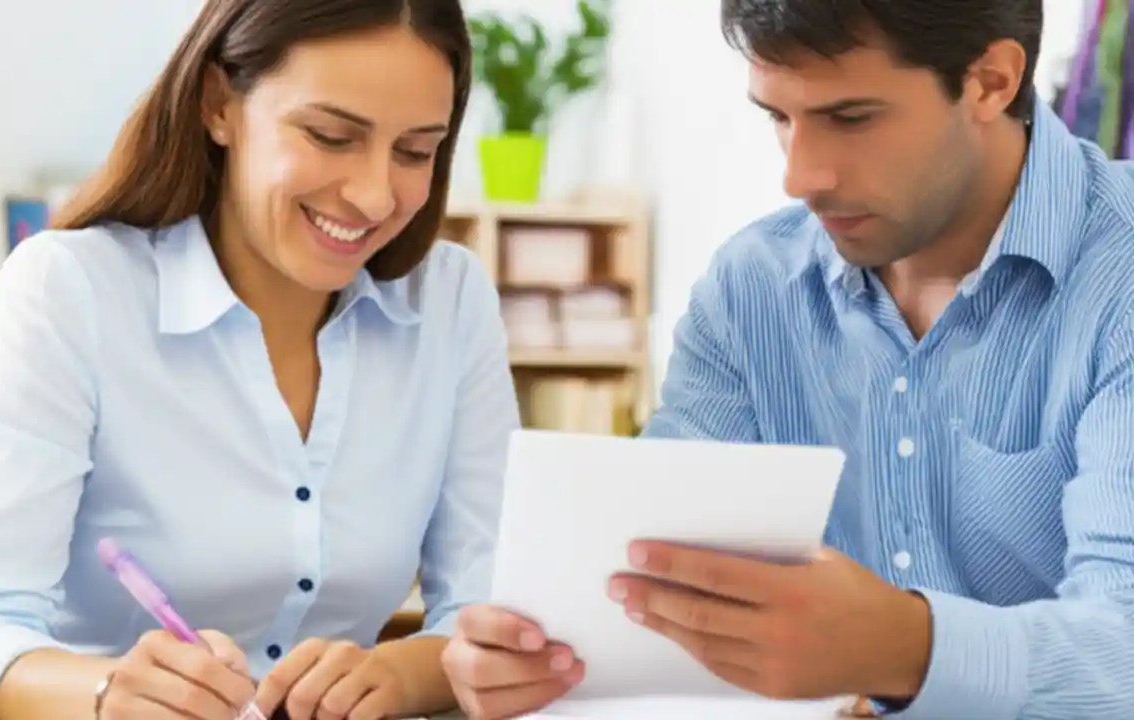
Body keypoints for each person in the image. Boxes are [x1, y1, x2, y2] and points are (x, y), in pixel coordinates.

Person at [443, 1, 1134, 718]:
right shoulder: (752, 289)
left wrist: (907, 647)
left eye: (851, 117)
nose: (800, 177)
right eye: (778, 117)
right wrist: (528, 653)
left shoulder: (1120, 275)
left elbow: (1125, 647)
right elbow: (652, 586)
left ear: (990, 81)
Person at [0, 1, 519, 719]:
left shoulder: (449, 301)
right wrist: (109, 695)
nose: (373, 194)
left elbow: (490, 619)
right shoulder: (68, 291)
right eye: (331, 136)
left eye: (415, 151)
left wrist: (393, 676)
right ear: (218, 105)